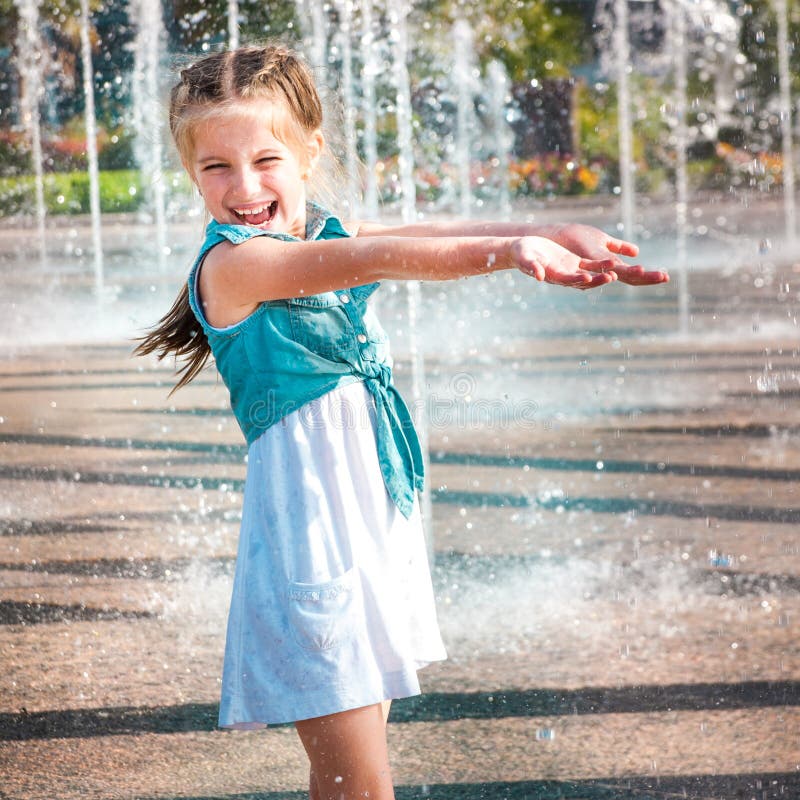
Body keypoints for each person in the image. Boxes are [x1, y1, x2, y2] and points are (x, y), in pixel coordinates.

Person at [135, 44, 668, 800]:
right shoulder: (237, 266)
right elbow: (387, 256)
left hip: (367, 532)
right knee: (360, 784)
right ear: (190, 172)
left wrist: (551, 227)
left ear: (310, 151)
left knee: (346, 780)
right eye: (216, 166)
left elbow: (423, 228)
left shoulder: (310, 236)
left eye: (266, 158)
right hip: (312, 551)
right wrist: (511, 252)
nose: (244, 186)